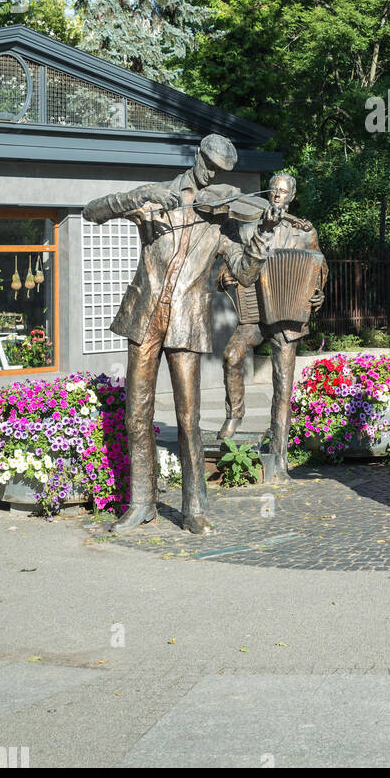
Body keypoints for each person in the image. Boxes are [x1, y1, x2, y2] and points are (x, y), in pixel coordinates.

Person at [83, 158, 279, 535]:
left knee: (189, 420)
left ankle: (194, 509)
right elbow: (92, 212)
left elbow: (243, 272)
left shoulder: (220, 224)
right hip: (144, 317)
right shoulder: (154, 201)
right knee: (136, 413)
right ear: (197, 159)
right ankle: (142, 503)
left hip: (186, 324)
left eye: (219, 170)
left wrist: (262, 237)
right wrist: (140, 195)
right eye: (209, 166)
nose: (212, 175)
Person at [217, 172, 327, 481]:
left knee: (282, 388)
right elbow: (228, 267)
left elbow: (319, 267)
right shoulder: (249, 226)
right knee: (232, 355)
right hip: (256, 312)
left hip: (288, 317)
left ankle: (280, 458)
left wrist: (318, 294)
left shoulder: (303, 232)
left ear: (291, 196)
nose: (278, 195)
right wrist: (224, 278)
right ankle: (234, 414)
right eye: (274, 190)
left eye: (283, 192)